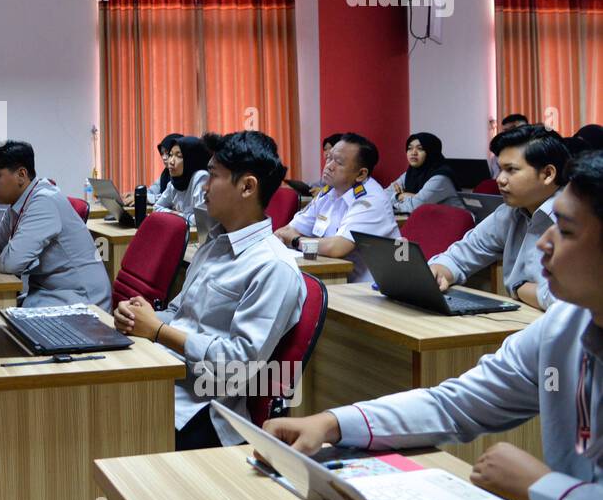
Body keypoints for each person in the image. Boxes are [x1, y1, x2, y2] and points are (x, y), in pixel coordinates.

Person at [264, 150, 603, 500]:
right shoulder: (564, 325)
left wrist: (544, 488)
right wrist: (333, 423)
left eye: (564, 231)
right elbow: (456, 403)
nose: (543, 243)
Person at [115, 131, 306, 449]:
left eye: (213, 176)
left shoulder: (273, 267)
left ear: (246, 186)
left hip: (200, 409)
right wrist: (139, 316)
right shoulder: (214, 244)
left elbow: (238, 366)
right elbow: (178, 312)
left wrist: (159, 331)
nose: (203, 186)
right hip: (163, 374)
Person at [430, 124, 568, 311]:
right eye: (500, 169)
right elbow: (462, 255)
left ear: (548, 174)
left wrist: (519, 288)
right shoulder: (509, 213)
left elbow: (571, 300)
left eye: (511, 170)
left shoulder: (579, 218)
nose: (500, 179)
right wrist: (438, 272)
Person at [0, 140, 110, 309]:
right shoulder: (19, 201)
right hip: (51, 293)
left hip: (82, 301)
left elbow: (11, 263)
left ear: (21, 175)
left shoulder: (44, 201)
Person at [273, 132, 397, 283]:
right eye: (329, 158)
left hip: (367, 290)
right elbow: (286, 231)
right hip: (332, 280)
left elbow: (336, 247)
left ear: (361, 174)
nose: (329, 166)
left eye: (339, 162)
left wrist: (295, 240)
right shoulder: (328, 192)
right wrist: (291, 237)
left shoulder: (370, 201)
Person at [389, 132, 465, 214]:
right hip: (430, 221)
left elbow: (415, 206)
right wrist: (400, 196)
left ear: (431, 152)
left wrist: (398, 197)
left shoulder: (441, 177)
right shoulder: (410, 174)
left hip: (453, 223)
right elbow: (383, 195)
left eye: (420, 148)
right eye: (410, 148)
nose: (413, 152)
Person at [151, 135, 211, 220]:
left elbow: (201, 220)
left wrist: (177, 215)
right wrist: (180, 214)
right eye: (171, 155)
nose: (171, 161)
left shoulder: (201, 177)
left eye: (179, 156)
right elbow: (156, 208)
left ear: (191, 159)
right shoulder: (174, 181)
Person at [489, 113, 529, 177]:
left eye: (514, 129)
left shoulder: (534, 153)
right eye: (505, 131)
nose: (510, 134)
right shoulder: (496, 157)